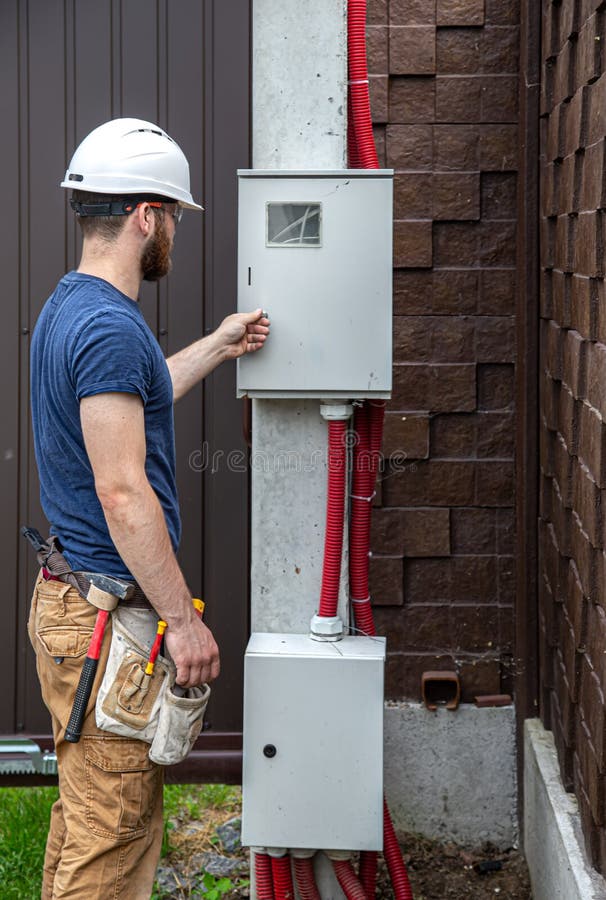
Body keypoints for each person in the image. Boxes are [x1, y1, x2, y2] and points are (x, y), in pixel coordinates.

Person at [27, 118, 269, 899]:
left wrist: (221, 344)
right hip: (107, 625)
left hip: (70, 607)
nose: (172, 233)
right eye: (171, 216)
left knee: (85, 824)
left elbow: (134, 393)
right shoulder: (109, 327)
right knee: (111, 844)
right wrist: (185, 622)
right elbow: (122, 490)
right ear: (145, 216)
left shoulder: (74, 307)